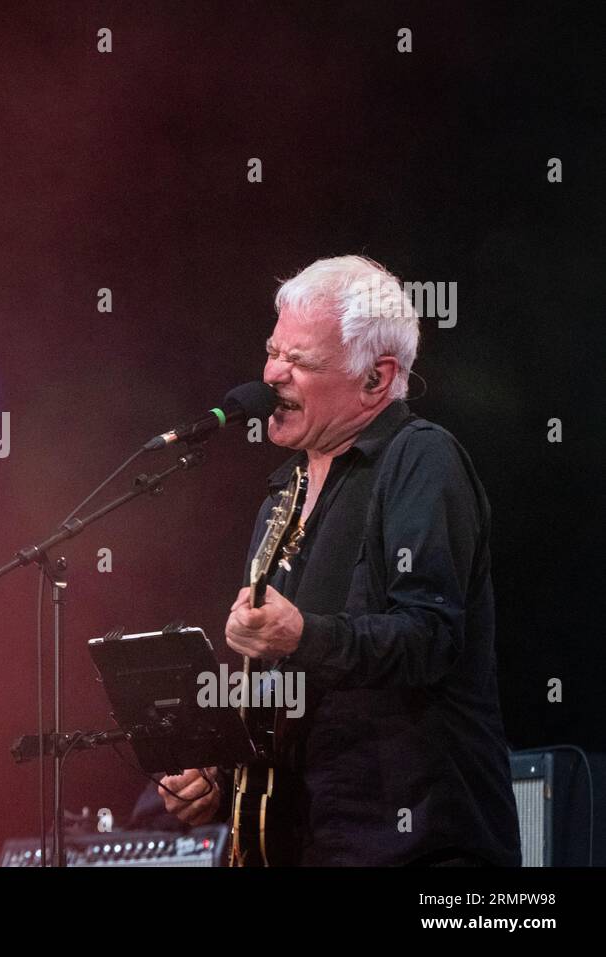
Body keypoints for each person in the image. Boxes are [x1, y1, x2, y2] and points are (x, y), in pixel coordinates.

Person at [158, 255, 521, 866]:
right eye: (274, 351)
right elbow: (282, 687)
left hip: (416, 848)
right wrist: (220, 774)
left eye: (300, 361)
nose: (272, 373)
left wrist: (302, 635)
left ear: (376, 380)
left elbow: (431, 636)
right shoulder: (283, 492)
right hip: (308, 843)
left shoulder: (421, 461)